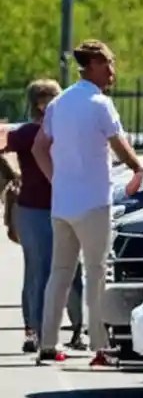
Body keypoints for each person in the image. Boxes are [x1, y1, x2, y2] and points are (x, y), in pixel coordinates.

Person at [32, 40, 143, 366]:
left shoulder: (59, 103)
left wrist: (57, 179)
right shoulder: (100, 103)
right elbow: (119, 145)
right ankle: (101, 346)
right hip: (94, 201)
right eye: (108, 63)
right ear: (93, 63)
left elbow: (40, 147)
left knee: (60, 272)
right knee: (96, 273)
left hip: (63, 203)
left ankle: (48, 343)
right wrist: (138, 166)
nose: (113, 70)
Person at [1, 81, 86, 354]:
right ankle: (34, 331)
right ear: (39, 103)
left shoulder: (68, 130)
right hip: (33, 209)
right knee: (38, 269)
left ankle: (77, 331)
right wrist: (11, 178)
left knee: (73, 270)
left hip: (68, 205)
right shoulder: (27, 133)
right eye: (52, 98)